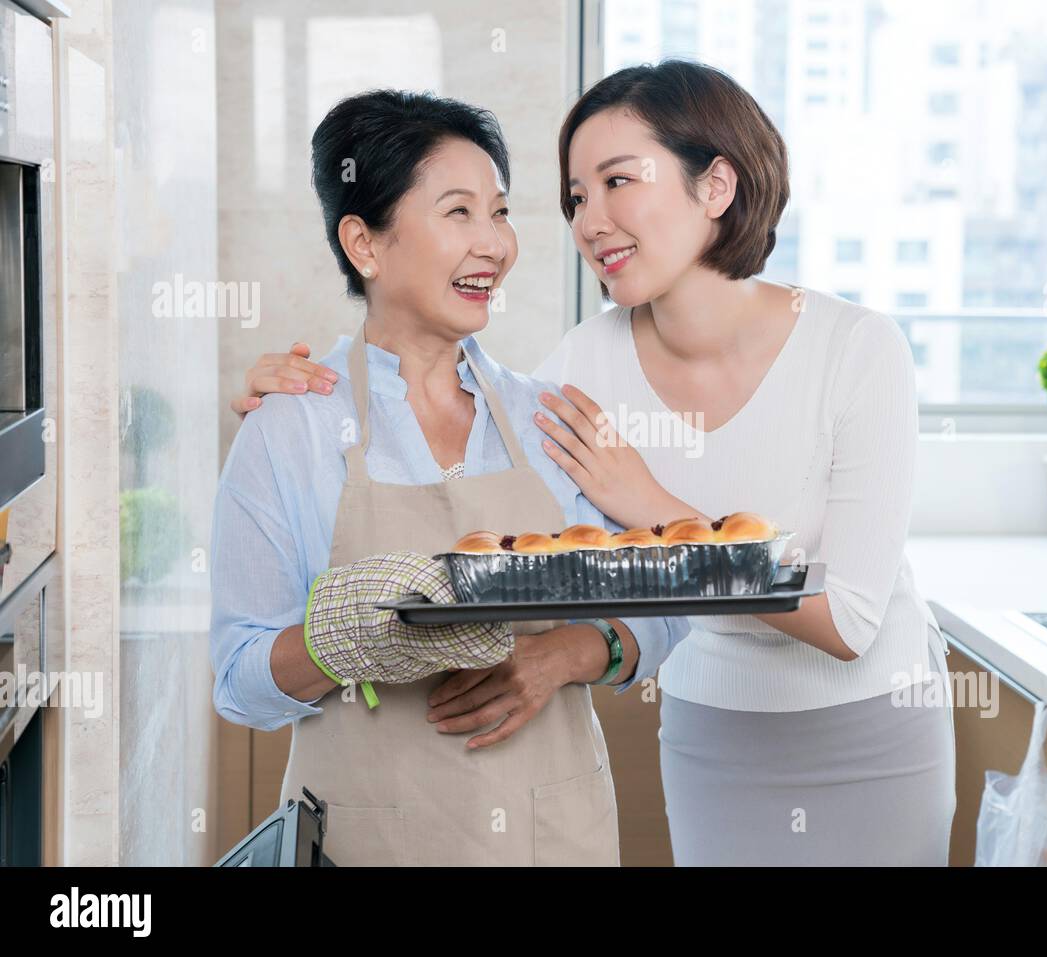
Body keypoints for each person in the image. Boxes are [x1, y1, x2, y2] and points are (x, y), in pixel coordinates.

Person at [232, 61, 956, 866]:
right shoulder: (574, 373)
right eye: (576, 197)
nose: (587, 221)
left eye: (618, 183)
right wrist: (290, 402)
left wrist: (614, 574)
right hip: (705, 725)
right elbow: (244, 671)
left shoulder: (851, 348)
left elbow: (828, 617)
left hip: (870, 718)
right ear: (362, 242)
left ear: (715, 186)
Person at [209, 90, 685, 867]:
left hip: (553, 840)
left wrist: (562, 654)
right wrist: (340, 642)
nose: (493, 244)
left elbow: (669, 602)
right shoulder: (290, 428)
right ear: (365, 244)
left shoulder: (548, 417)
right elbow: (238, 682)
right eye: (458, 212)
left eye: (499, 212)